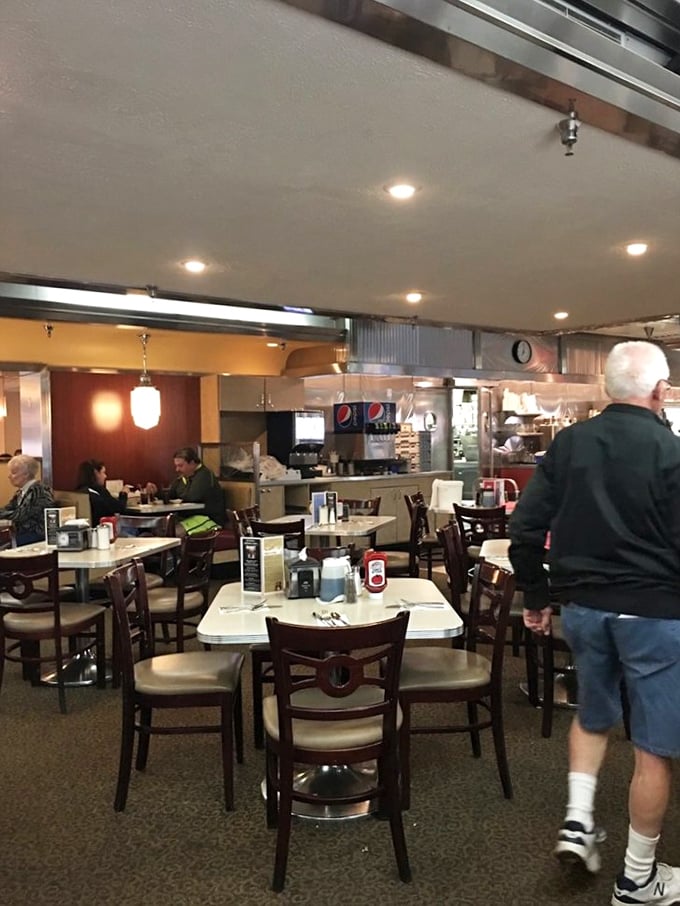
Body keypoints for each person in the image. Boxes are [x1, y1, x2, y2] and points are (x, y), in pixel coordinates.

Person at [509, 340, 680, 906]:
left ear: (609, 388)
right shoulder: (671, 451)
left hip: (583, 609)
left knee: (593, 713)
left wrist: (535, 592)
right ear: (660, 391)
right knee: (653, 745)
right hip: (654, 614)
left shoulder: (570, 444)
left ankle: (579, 822)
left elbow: (526, 526)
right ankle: (637, 880)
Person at [163, 446, 225, 532]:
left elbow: (193, 497)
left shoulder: (205, 475)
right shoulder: (183, 477)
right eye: (176, 466)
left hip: (208, 518)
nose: (177, 469)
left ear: (192, 463)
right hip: (188, 517)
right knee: (161, 528)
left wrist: (179, 498)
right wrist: (155, 491)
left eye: (180, 466)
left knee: (175, 532)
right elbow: (171, 495)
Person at [0, 454, 54, 544]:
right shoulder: (21, 492)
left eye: (13, 473)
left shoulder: (39, 491)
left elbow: (20, 515)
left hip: (36, 537)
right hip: (22, 535)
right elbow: (8, 509)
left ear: (26, 474)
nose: (9, 476)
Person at [75, 459, 125, 526]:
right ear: (96, 473)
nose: (105, 476)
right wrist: (124, 493)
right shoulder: (99, 493)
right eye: (103, 472)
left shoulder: (78, 492)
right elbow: (119, 508)